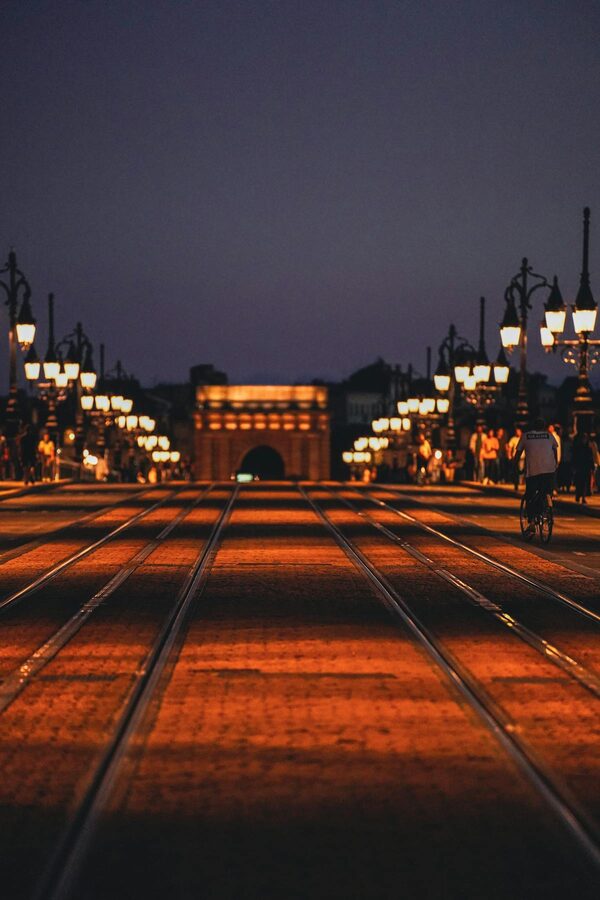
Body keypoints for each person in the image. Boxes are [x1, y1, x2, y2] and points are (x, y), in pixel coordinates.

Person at [514, 418, 558, 532]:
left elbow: (518, 453)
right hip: (549, 470)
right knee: (547, 491)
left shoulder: (525, 436)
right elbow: (555, 449)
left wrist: (514, 466)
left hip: (533, 472)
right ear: (543, 427)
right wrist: (555, 463)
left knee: (530, 496)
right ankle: (546, 508)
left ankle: (532, 522)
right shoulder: (549, 435)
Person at [573, 433, 594, 504]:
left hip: (586, 468)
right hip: (580, 467)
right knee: (579, 483)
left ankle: (583, 497)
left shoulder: (588, 448)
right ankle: (578, 495)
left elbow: (591, 458)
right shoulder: (578, 448)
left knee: (585, 483)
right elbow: (575, 457)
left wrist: (592, 467)